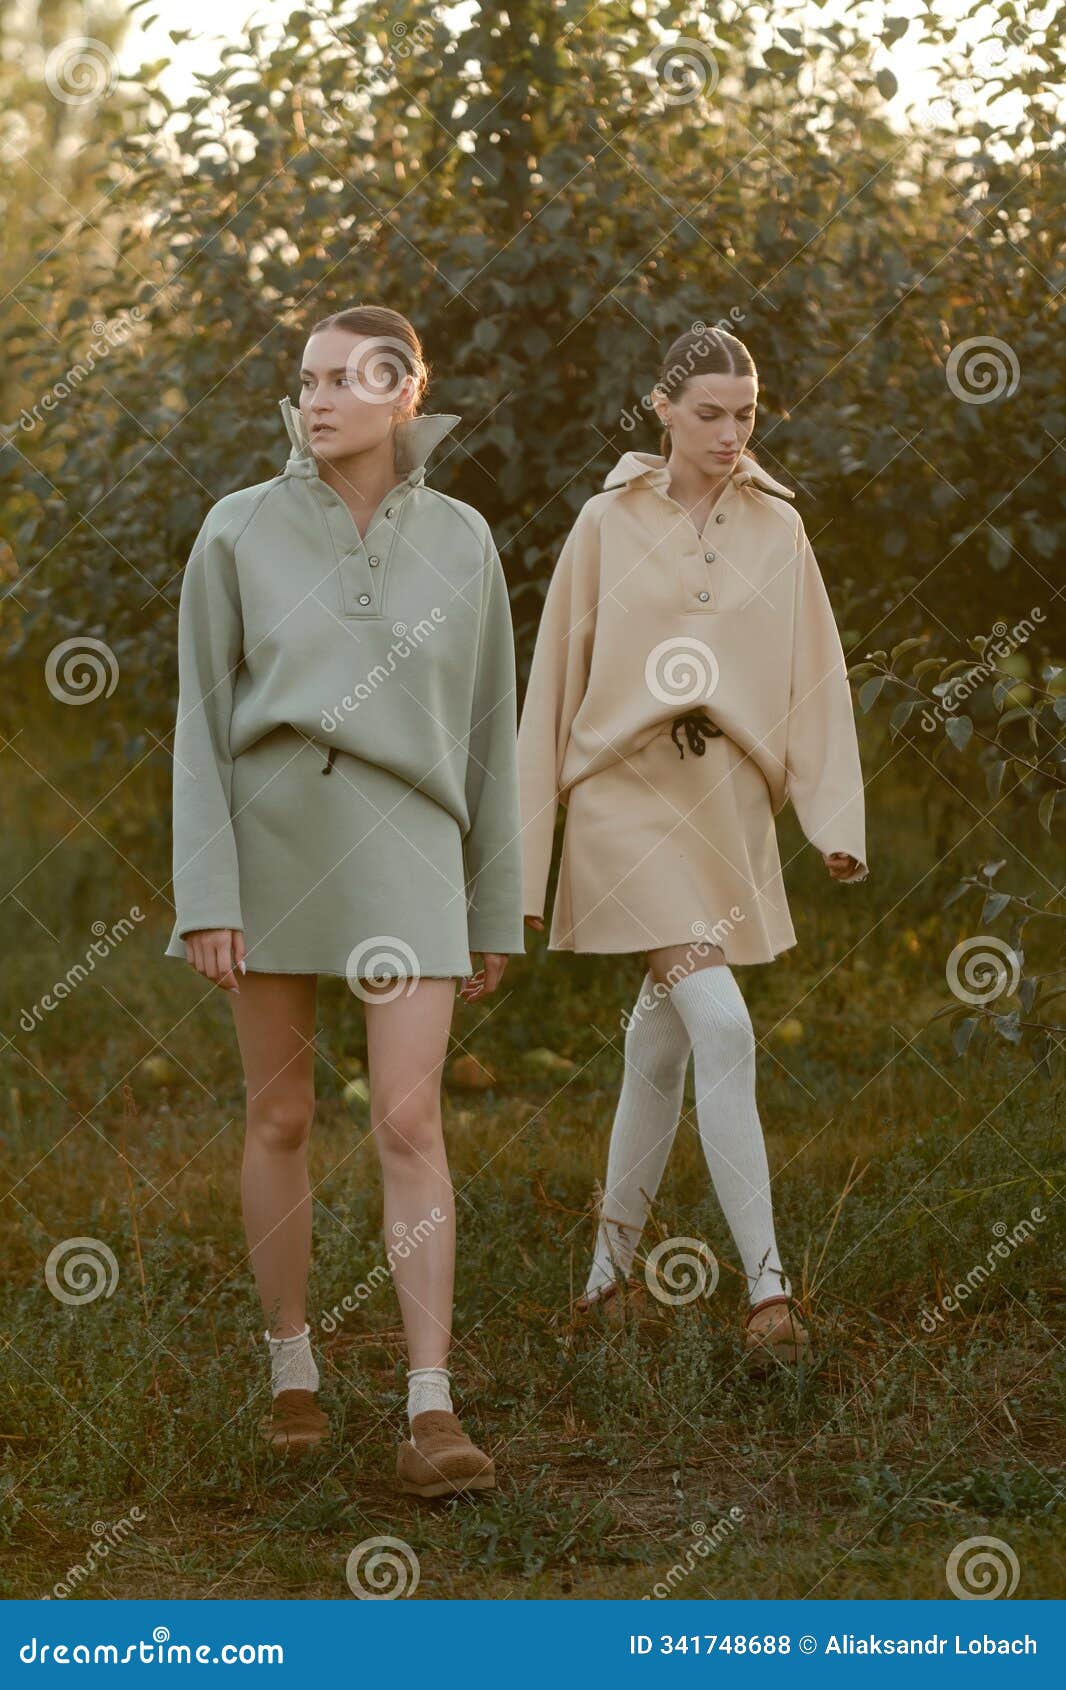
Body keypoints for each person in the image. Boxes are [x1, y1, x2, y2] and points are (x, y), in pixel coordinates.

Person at [163, 304, 523, 1492]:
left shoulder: (465, 540)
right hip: (268, 843)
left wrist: (491, 902)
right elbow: (201, 727)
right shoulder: (237, 528)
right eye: (303, 379)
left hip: (411, 847)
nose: (313, 400)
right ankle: (291, 1364)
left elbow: (490, 737)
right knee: (279, 1117)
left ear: (402, 393)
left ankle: (432, 1404)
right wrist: (207, 890)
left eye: (342, 382)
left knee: (409, 1124)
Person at [517, 324, 869, 1364]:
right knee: (720, 1023)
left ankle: (604, 1283)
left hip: (726, 803)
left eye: (745, 414)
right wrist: (525, 863)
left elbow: (817, 674)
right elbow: (552, 687)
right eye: (707, 413)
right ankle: (769, 1292)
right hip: (622, 796)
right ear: (660, 410)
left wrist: (830, 818)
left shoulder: (778, 529)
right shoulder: (603, 523)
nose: (728, 434)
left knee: (659, 1042)